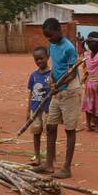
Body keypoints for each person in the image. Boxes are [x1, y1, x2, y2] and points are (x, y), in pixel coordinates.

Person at [38, 18, 80, 179]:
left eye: (50, 35)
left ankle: (67, 168)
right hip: (56, 91)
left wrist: (59, 85)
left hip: (70, 92)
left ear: (58, 30)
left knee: (69, 129)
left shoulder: (69, 48)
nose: (48, 39)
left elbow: (72, 73)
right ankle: (49, 164)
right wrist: (53, 83)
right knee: (50, 126)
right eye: (46, 36)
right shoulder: (52, 45)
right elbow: (55, 66)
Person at [26, 46, 53, 165]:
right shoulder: (33, 75)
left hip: (48, 110)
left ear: (47, 57)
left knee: (49, 133)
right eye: (36, 59)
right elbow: (31, 93)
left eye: (41, 58)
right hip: (35, 109)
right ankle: (37, 156)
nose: (39, 61)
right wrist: (28, 110)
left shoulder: (52, 74)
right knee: (36, 132)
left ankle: (50, 158)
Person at [81, 32, 98, 132]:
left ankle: (88, 125)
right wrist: (94, 39)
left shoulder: (86, 55)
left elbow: (83, 46)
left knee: (89, 104)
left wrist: (86, 41)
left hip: (89, 84)